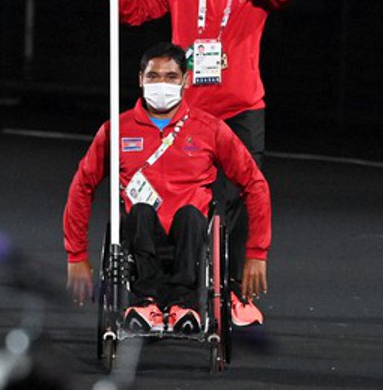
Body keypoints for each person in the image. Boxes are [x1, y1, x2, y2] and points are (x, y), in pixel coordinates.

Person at [99, 0, 300, 325]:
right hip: (188, 114)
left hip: (242, 110)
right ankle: (170, 291)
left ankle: (230, 295)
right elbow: (130, 10)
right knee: (183, 202)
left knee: (242, 198)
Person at [63, 42, 271, 333]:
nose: (161, 84)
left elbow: (255, 184)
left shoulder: (209, 129)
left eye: (171, 77)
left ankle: (184, 303)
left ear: (185, 80)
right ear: (140, 79)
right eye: (153, 76)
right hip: (141, 235)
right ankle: (146, 301)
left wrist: (256, 253)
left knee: (188, 215)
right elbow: (82, 186)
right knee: (142, 212)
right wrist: (76, 256)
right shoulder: (117, 130)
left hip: (191, 235)